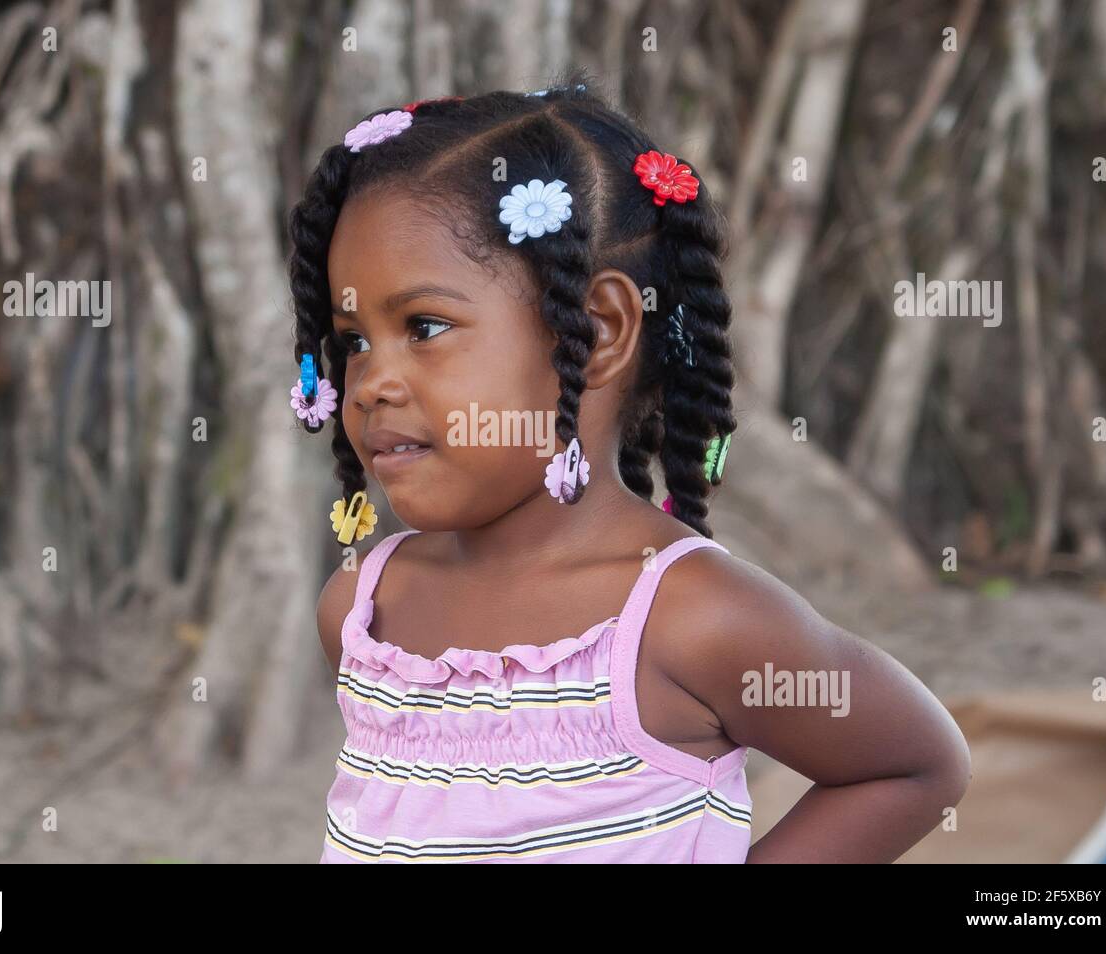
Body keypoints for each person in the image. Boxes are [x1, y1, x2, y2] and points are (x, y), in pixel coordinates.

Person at [288, 75, 971, 863]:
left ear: (601, 329)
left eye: (425, 325)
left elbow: (912, 766)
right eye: (355, 340)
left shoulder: (691, 618)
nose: (373, 382)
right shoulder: (365, 612)